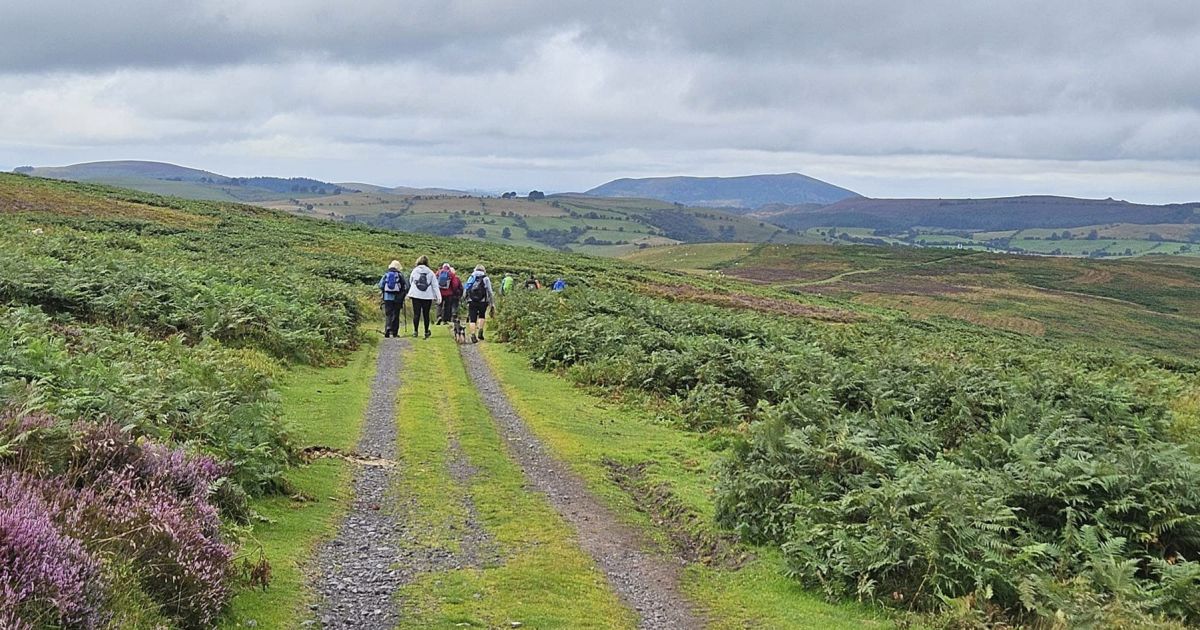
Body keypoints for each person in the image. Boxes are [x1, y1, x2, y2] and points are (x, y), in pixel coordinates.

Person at [406, 255, 442, 339]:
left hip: (415, 295)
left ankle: (415, 331)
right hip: (427, 296)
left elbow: (411, 281)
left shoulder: (415, 271)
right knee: (426, 314)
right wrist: (439, 297)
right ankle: (426, 331)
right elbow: (435, 285)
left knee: (416, 314)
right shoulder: (430, 272)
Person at [463, 264, 496, 343]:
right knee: (482, 315)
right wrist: (492, 303)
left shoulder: (471, 277)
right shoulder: (486, 278)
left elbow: (466, 288)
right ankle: (480, 331)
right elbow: (490, 291)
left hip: (471, 301)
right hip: (483, 301)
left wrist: (465, 298)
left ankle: (473, 334)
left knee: (472, 319)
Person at [377, 260, 408, 337]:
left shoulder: (386, 274)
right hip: (398, 298)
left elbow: (380, 285)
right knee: (396, 314)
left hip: (387, 297)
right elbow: (406, 286)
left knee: (388, 314)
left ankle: (388, 328)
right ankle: (394, 332)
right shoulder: (400, 275)